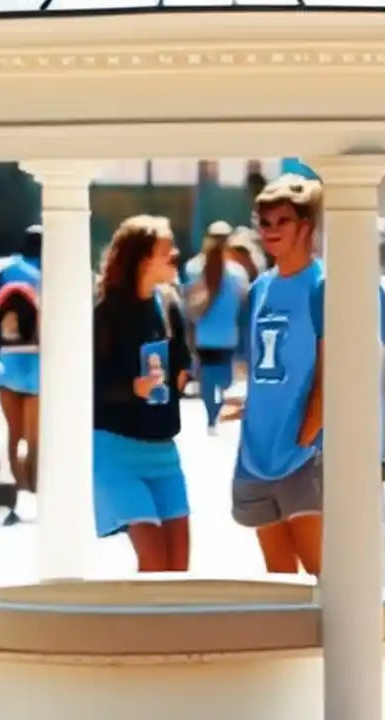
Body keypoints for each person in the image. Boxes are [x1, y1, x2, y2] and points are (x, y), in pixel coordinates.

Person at [223, 175, 325, 575]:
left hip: (304, 453)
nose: (270, 231)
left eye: (282, 221)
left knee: (323, 580)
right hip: (255, 452)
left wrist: (309, 430)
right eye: (264, 223)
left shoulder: (323, 286)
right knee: (279, 582)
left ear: (306, 226)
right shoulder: (260, 287)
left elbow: (330, 371)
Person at [92, 216, 192, 571]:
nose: (175, 256)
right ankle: (132, 628)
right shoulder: (105, 314)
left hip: (164, 450)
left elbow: (181, 364)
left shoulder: (169, 305)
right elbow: (88, 384)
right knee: (153, 558)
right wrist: (132, 388)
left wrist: (180, 375)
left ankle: (168, 629)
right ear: (143, 259)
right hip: (116, 450)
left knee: (178, 569)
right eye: (167, 251)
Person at [0, 225, 42, 525]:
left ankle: (18, 493)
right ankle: (35, 495)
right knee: (35, 438)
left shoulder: (0, 269)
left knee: (13, 435)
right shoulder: (50, 268)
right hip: (38, 364)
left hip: (6, 363)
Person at [185, 224, 249, 433]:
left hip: (205, 334)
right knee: (222, 378)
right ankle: (215, 412)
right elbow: (243, 305)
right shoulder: (238, 273)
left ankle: (212, 414)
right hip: (227, 336)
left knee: (208, 378)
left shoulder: (193, 269)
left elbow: (188, 302)